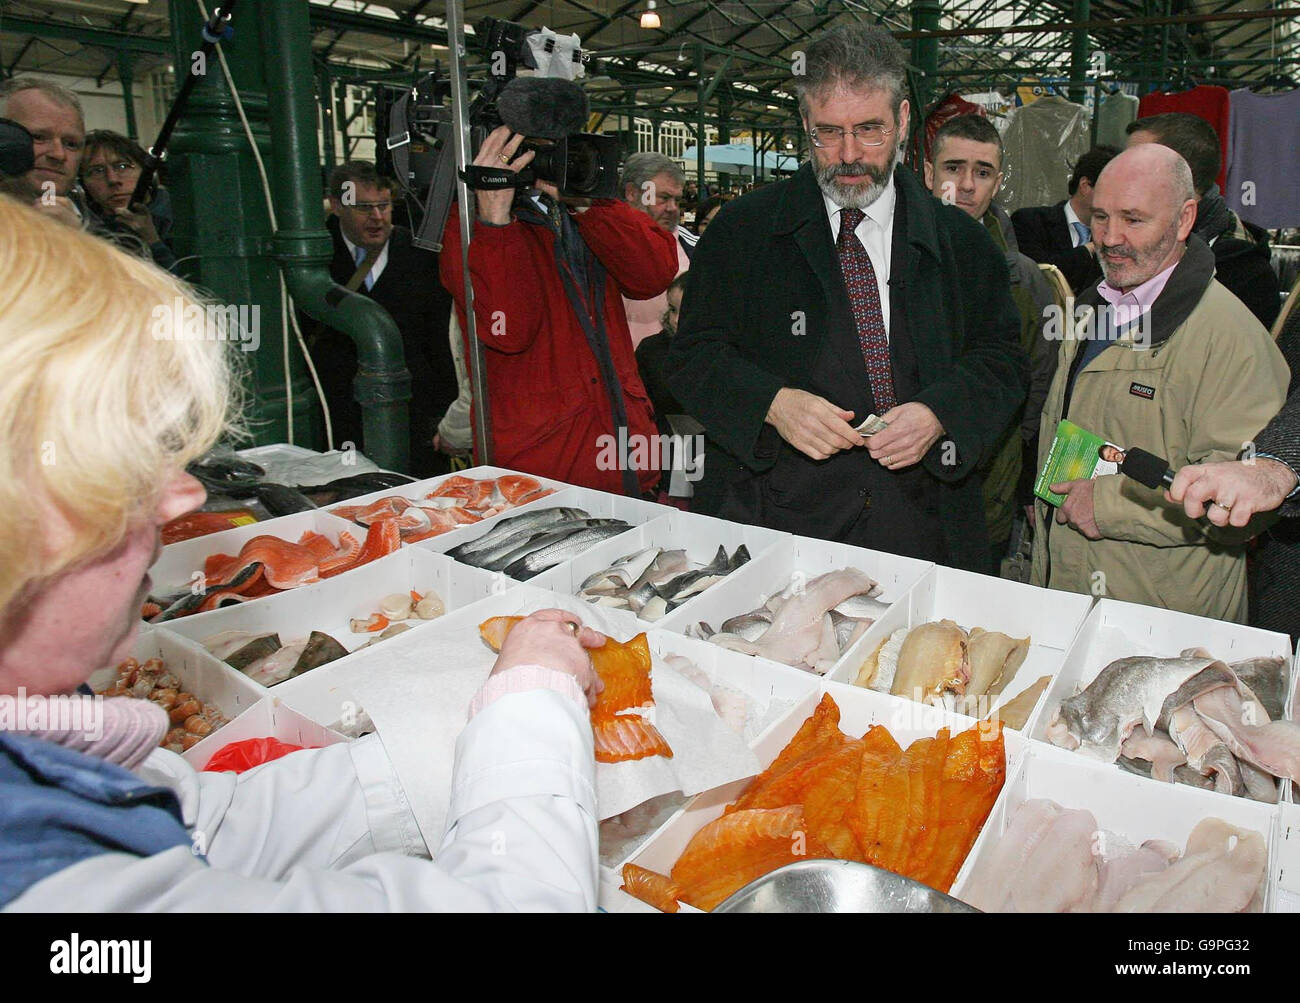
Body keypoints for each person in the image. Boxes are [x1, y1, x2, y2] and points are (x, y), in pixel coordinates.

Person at [0, 194, 603, 911]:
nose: (185, 496)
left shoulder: (44, 759)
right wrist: (532, 710)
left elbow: (208, 827)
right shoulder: (42, 877)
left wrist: (453, 735)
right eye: (126, 457)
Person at [667, 23, 1028, 573]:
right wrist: (772, 404)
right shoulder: (743, 232)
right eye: (828, 133)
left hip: (923, 521)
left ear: (904, 120)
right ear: (805, 124)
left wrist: (939, 412)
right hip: (777, 519)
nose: (849, 154)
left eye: (870, 130)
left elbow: (1002, 361)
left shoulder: (961, 242)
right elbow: (693, 356)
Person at [1030, 144, 1288, 623]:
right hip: (1068, 593)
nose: (1110, 238)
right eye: (1101, 217)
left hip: (1159, 621)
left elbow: (1240, 511)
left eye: (1133, 219)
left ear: (1185, 218)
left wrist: (1106, 506)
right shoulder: (1093, 308)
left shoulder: (1231, 340)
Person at [439, 128, 676, 497]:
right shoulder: (469, 224)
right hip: (543, 476)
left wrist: (589, 202)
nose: (554, 162)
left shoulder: (588, 210)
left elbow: (653, 274)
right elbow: (508, 330)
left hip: (622, 457)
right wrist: (495, 219)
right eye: (535, 151)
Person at [922, 113, 1057, 567]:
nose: (965, 185)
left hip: (985, 492)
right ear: (927, 172)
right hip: (895, 486)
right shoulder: (880, 258)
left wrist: (1013, 469)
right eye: (952, 168)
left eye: (981, 173)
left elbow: (1039, 384)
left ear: (997, 183)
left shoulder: (1025, 279)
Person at [311, 161, 456, 478]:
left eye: (384, 205)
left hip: (415, 416)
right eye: (363, 207)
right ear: (336, 206)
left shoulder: (421, 254)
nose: (377, 217)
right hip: (340, 418)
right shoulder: (314, 259)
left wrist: (444, 415)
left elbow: (442, 342)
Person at [1126, 112, 1281, 330]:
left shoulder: (1246, 275)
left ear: (1182, 173)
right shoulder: (1124, 246)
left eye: (1135, 165)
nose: (1120, 174)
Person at [1011, 145, 1119, 294]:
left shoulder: (1115, 239)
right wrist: (1088, 249)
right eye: (1113, 191)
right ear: (1085, 186)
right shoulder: (1029, 221)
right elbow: (1039, 276)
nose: (1119, 200)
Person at [619, 152, 693, 347]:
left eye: (677, 200)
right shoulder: (594, 240)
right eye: (663, 198)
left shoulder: (695, 250)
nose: (672, 208)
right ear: (632, 193)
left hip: (669, 371)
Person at [79, 129, 177, 270]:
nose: (113, 179)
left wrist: (152, 241)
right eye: (97, 171)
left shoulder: (181, 214)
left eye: (123, 166)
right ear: (83, 185)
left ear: (148, 174)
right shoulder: (85, 225)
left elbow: (193, 286)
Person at [0, 77, 86, 228]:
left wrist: (78, 241)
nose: (59, 154)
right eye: (38, 137)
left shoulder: (118, 236)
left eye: (71, 144)